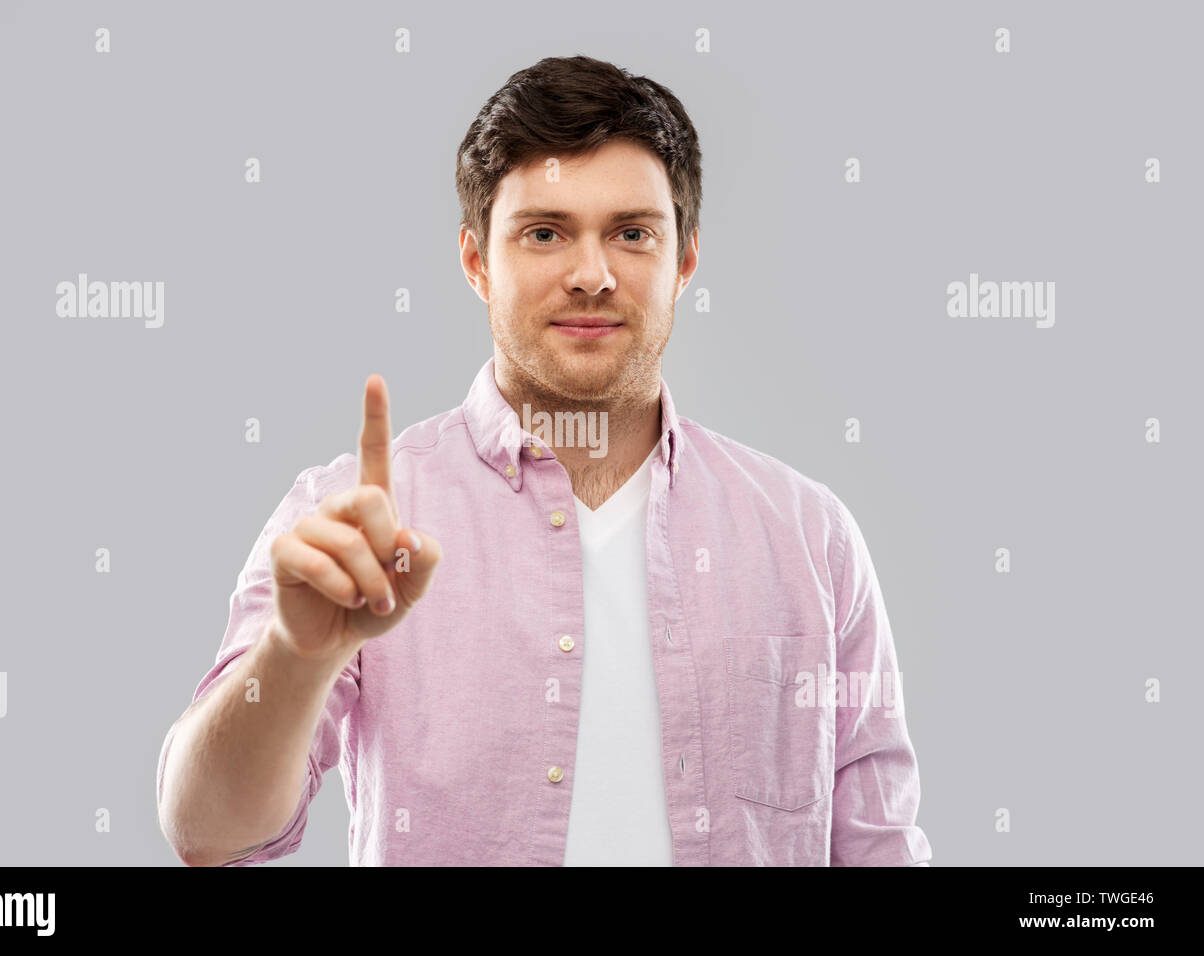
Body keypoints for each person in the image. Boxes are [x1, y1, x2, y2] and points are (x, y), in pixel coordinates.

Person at [156, 54, 933, 867]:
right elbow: (207, 832)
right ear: (476, 262)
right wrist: (297, 656)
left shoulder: (812, 538)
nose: (591, 275)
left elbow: (878, 850)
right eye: (544, 233)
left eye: (632, 234)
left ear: (686, 261)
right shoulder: (348, 519)